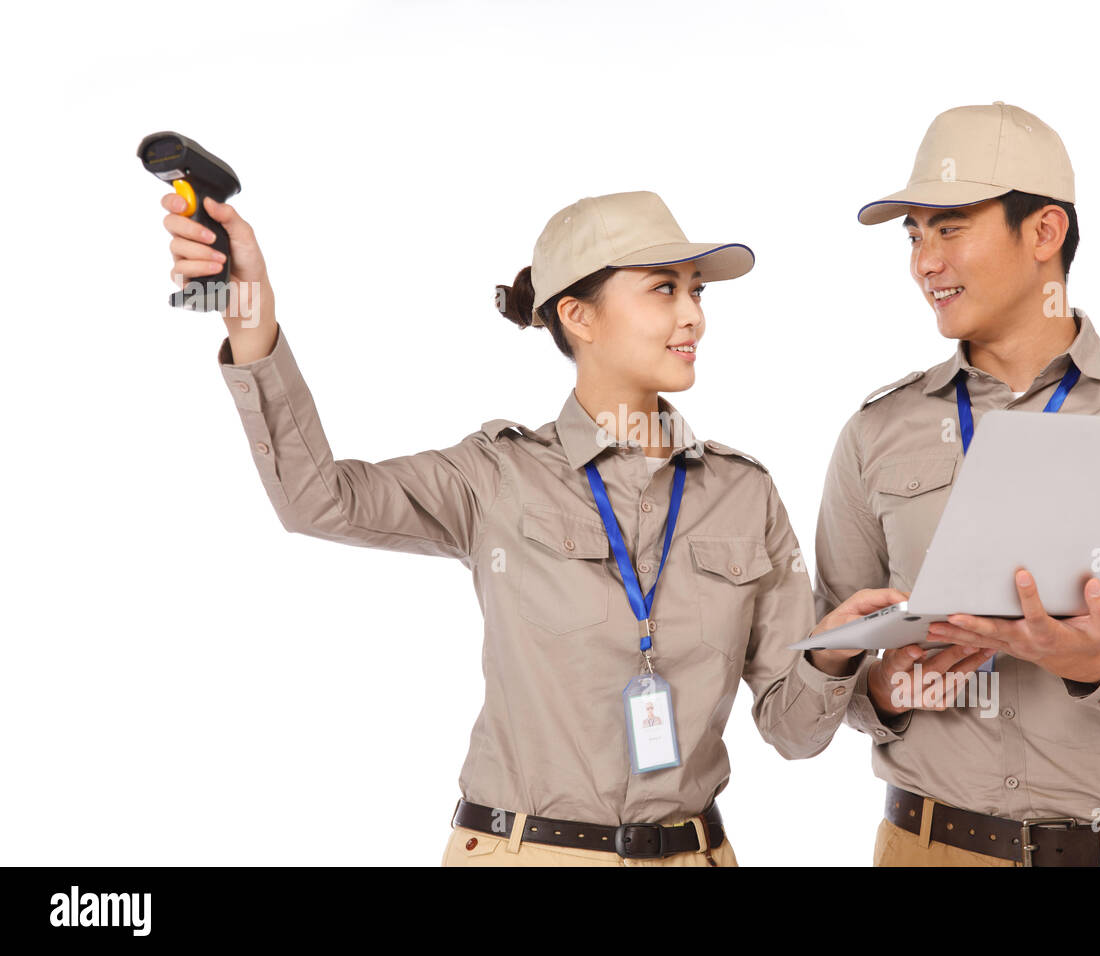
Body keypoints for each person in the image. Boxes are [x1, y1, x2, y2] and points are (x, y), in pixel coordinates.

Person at [158, 186, 899, 867]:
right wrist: (250, 318)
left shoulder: (745, 492)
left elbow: (795, 735)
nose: (694, 315)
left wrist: (831, 659)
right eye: (664, 289)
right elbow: (318, 500)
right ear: (578, 316)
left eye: (697, 292)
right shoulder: (494, 477)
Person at [813, 102, 1100, 867]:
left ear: (1045, 232)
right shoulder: (877, 431)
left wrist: (1095, 665)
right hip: (931, 851)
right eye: (914, 235)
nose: (924, 262)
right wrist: (880, 691)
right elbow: (821, 671)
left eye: (949, 227)